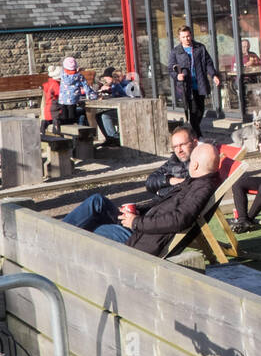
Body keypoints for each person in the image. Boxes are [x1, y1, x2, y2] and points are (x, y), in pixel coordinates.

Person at [61, 142, 222, 257]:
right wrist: (139, 210)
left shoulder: (202, 188)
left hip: (141, 237)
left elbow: (179, 219)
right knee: (97, 202)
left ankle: (55, 239)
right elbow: (165, 204)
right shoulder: (197, 182)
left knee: (91, 227)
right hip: (143, 225)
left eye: (191, 162)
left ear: (194, 166)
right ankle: (57, 232)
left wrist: (136, 222)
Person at [169, 25, 222, 135]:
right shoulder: (175, 51)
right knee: (193, 110)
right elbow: (171, 68)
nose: (186, 39)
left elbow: (208, 63)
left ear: (191, 36)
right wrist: (177, 76)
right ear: (179, 38)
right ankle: (198, 135)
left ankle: (193, 131)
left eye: (188, 36)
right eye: (183, 37)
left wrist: (214, 75)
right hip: (186, 86)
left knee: (200, 110)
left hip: (200, 84)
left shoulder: (200, 48)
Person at [146, 127, 196, 201]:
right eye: (175, 147)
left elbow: (192, 187)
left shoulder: (202, 161)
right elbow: (150, 182)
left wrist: (162, 192)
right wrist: (170, 180)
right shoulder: (174, 161)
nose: (179, 150)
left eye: (182, 145)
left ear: (194, 143)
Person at [58, 56, 97, 126]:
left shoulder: (62, 75)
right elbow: (86, 87)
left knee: (64, 116)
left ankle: (61, 125)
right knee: (72, 117)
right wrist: (93, 95)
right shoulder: (79, 76)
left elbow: (67, 72)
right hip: (72, 99)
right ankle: (74, 131)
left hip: (62, 99)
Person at [39, 65, 61, 133]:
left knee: (48, 119)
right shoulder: (55, 85)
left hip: (47, 108)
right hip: (54, 107)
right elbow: (59, 94)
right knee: (58, 117)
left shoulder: (48, 83)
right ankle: (56, 127)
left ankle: (43, 125)